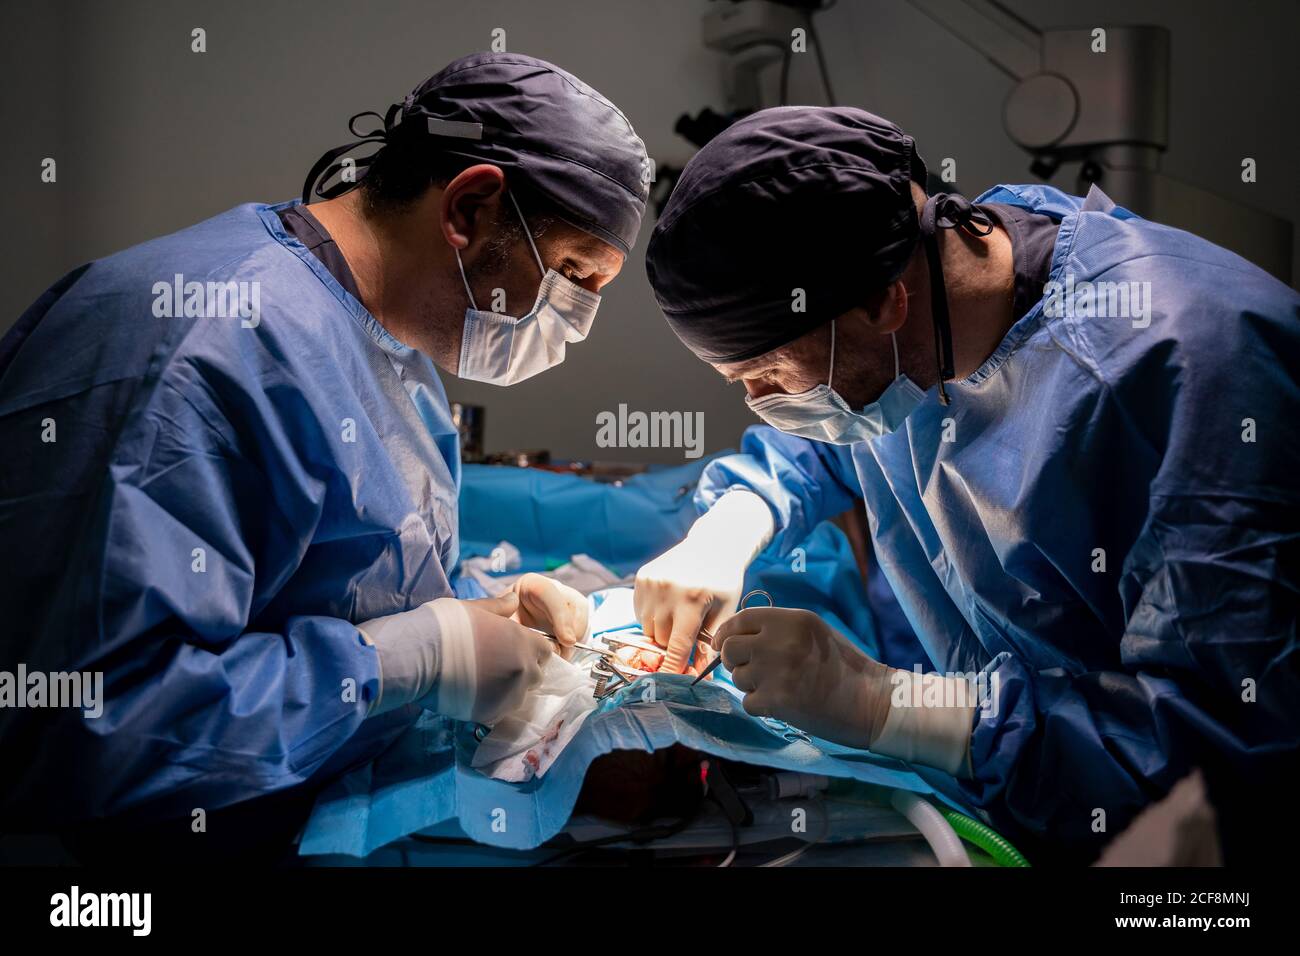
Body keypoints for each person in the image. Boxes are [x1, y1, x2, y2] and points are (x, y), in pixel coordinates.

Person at [0, 52, 648, 858]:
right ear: (472, 209)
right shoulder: (207, 346)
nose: (574, 324)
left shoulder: (392, 335)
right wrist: (410, 658)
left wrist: (468, 614)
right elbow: (80, 730)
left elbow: (349, 566)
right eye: (571, 276)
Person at [635, 106, 1299, 861]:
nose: (763, 405)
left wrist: (898, 707)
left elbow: (1224, 757)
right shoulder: (945, 274)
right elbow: (830, 432)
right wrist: (731, 525)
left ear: (885, 303)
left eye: (768, 376)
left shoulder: (1193, 373)